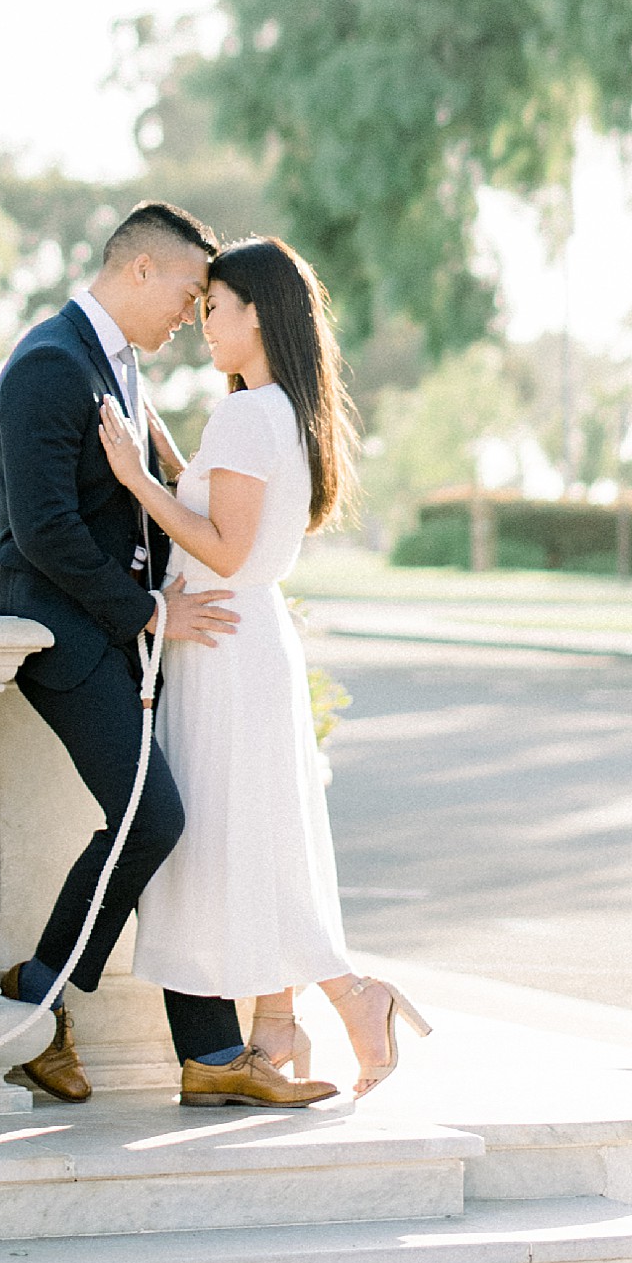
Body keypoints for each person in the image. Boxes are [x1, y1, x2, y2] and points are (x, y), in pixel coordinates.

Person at [0, 203, 331, 1108]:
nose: (190, 313)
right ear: (140, 270)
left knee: (182, 822)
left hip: (120, 632)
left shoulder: (119, 366)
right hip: (65, 631)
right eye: (186, 293)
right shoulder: (49, 364)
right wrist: (147, 611)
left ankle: (209, 1058)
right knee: (157, 818)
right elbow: (42, 529)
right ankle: (35, 998)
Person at [107, 235, 431, 1101]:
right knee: (258, 839)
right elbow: (233, 517)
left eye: (214, 308)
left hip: (222, 648)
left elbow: (225, 542)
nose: (201, 323)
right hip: (243, 640)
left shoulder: (248, 415)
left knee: (234, 843)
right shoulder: (283, 410)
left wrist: (139, 481)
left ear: (258, 313)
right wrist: (180, 468)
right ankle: (280, 1026)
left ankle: (351, 997)